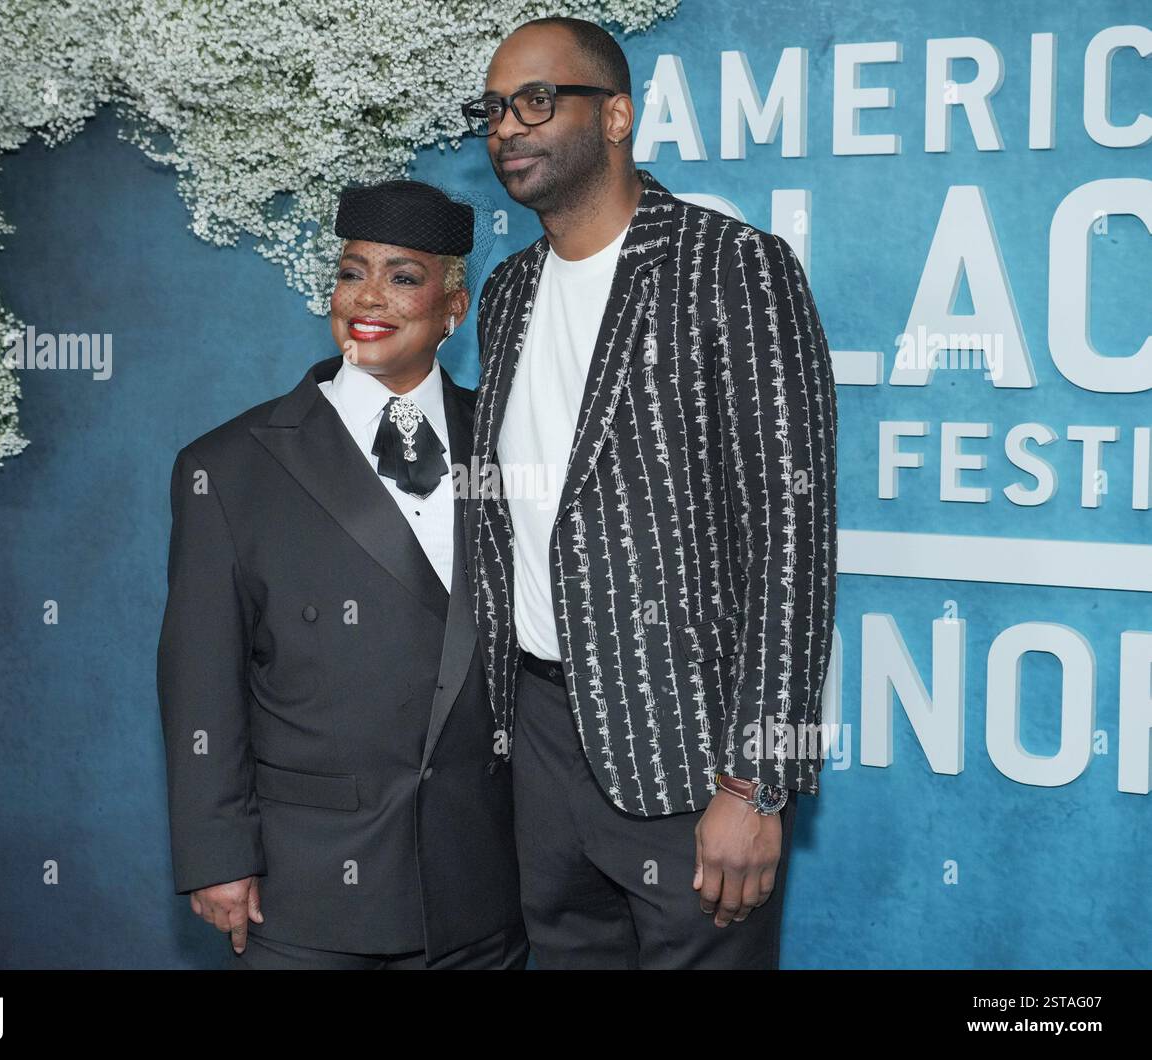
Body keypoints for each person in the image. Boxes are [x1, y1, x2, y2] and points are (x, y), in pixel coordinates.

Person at [461, 17, 839, 968]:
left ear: (618, 115)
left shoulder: (731, 266)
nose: (509, 126)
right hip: (541, 743)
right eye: (495, 108)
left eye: (538, 100)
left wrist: (755, 781)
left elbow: (791, 542)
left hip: (691, 757)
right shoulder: (507, 293)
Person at [157, 178, 527, 969]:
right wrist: (217, 853)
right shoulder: (229, 467)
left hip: (479, 887)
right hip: (310, 890)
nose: (369, 297)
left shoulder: (508, 445)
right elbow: (201, 680)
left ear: (452, 309)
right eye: (352, 272)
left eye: (402, 277)